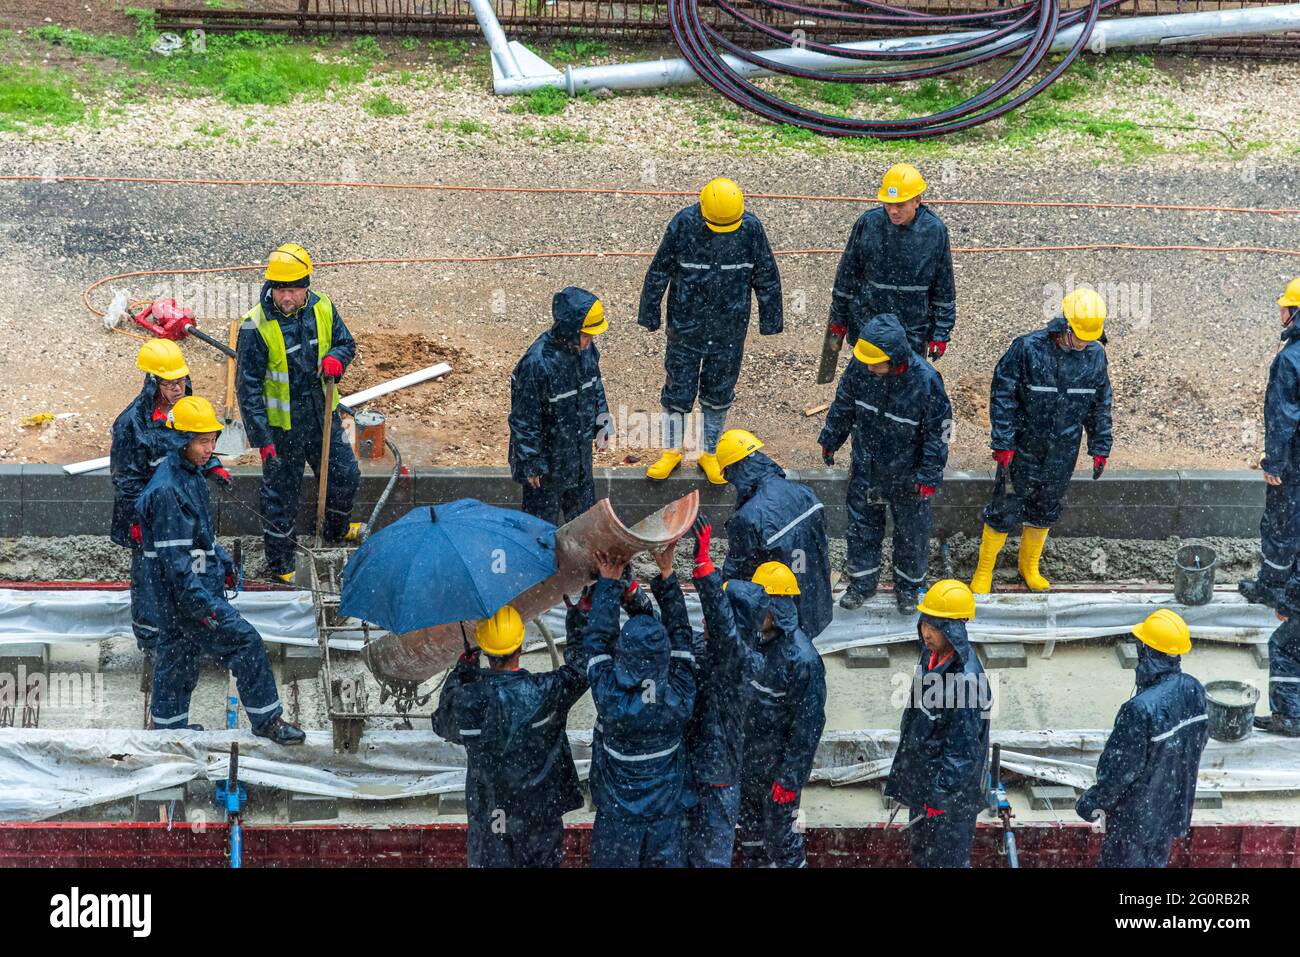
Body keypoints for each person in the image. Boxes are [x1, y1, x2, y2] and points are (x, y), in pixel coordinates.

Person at [137, 396, 304, 744]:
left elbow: (198, 539)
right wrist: (206, 609)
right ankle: (267, 721)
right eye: (202, 441)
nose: (210, 448)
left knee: (177, 655)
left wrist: (221, 559)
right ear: (181, 442)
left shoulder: (189, 474)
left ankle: (169, 730)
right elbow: (177, 568)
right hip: (187, 598)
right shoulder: (169, 492)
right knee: (246, 642)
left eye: (212, 440)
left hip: (181, 597)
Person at [638, 177, 783, 484]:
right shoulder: (683, 225)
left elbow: (767, 275)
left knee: (718, 394)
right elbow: (659, 270)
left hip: (729, 330)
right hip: (685, 328)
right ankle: (671, 451)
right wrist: (649, 314)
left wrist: (771, 321)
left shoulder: (750, 230)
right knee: (678, 391)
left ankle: (709, 451)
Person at [970, 288, 1113, 594]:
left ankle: (1029, 567)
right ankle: (984, 571)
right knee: (1005, 506)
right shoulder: (1027, 349)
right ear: (1065, 326)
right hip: (1024, 447)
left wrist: (1100, 446)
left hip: (1063, 450)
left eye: (1091, 337)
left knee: (1045, 507)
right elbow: (1003, 395)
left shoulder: (1095, 357)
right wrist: (1003, 441)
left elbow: (1100, 403)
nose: (1086, 343)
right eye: (1081, 336)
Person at [236, 243, 361, 583]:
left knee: (345, 475)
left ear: (307, 286)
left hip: (322, 418)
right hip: (282, 431)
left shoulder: (323, 308)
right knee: (280, 496)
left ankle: (335, 529)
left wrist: (337, 357)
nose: (285, 297)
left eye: (292, 289)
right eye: (279, 289)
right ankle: (281, 564)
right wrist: (262, 439)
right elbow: (247, 391)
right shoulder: (254, 326)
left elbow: (345, 343)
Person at [432, 605, 591, 867]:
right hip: (539, 819)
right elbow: (582, 669)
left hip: (492, 821)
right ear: (521, 646)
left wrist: (463, 672)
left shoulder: (469, 701)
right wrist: (578, 618)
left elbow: (442, 719)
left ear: (485, 649)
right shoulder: (546, 692)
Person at [819, 313, 953, 614]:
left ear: (895, 358)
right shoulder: (861, 369)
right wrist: (831, 438)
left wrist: (929, 474)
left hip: (909, 472)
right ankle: (862, 584)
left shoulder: (926, 381)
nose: (869, 367)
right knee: (862, 527)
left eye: (875, 362)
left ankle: (907, 588)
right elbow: (844, 405)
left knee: (911, 532)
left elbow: (938, 431)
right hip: (867, 465)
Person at [111, 339, 230, 651]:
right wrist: (139, 518)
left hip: (183, 509)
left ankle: (194, 632)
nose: (178, 388)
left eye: (181, 381)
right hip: (152, 516)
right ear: (153, 382)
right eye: (170, 383)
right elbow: (126, 481)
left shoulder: (186, 410)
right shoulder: (132, 425)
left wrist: (213, 464)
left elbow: (194, 441)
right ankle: (152, 642)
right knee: (151, 576)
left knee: (193, 567)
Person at [583, 545, 696, 868]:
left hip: (618, 824)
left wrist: (608, 583)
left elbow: (595, 643)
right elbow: (682, 636)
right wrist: (667, 573)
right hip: (665, 824)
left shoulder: (610, 699)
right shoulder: (680, 697)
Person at [1075, 609, 1209, 867]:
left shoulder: (1139, 709)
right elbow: (1195, 745)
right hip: (1169, 812)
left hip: (1134, 822)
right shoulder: (1193, 688)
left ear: (1146, 650)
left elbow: (1119, 771)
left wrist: (1091, 804)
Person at [883, 579, 989, 868]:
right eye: (924, 623)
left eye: (935, 627)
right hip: (926, 789)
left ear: (954, 629)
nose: (926, 632)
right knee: (923, 858)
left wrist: (939, 799)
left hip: (949, 804)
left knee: (945, 861)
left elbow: (962, 754)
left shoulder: (965, 683)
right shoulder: (931, 655)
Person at [683, 518, 764, 867]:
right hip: (698, 773)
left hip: (716, 782)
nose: (705, 621)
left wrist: (703, 568)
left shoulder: (738, 660)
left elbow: (721, 627)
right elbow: (677, 627)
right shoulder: (716, 652)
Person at [737, 562, 826, 868]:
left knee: (783, 844)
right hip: (748, 767)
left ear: (776, 608)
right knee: (752, 841)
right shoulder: (753, 641)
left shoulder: (803, 660)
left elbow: (808, 727)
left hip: (776, 775)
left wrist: (789, 779)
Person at [826, 163, 957, 362]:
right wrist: (838, 319)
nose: (893, 211)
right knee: (867, 379)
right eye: (888, 204)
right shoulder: (869, 223)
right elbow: (847, 273)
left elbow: (943, 285)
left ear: (917, 201)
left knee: (908, 385)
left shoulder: (934, 231)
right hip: (868, 322)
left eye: (900, 205)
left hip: (912, 328)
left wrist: (941, 333)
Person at [717, 428, 834, 638]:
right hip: (816, 603)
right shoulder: (805, 494)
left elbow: (738, 572)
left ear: (735, 470)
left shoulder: (747, 518)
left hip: (777, 617)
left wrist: (721, 595)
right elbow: (819, 546)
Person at [508, 287, 610, 526]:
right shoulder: (537, 363)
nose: (590, 341)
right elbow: (524, 419)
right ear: (570, 330)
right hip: (547, 465)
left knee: (584, 523)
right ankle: (542, 563)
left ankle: (580, 563)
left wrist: (602, 422)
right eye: (586, 335)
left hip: (579, 456)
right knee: (541, 528)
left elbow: (595, 386)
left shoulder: (586, 351)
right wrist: (532, 463)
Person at [1240, 277, 1300, 612]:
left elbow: (1283, 418)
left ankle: (1277, 594)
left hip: (1294, 463)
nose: (1280, 310)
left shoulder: (1290, 360)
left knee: (1281, 527)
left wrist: (1274, 464)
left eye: (1285, 306)